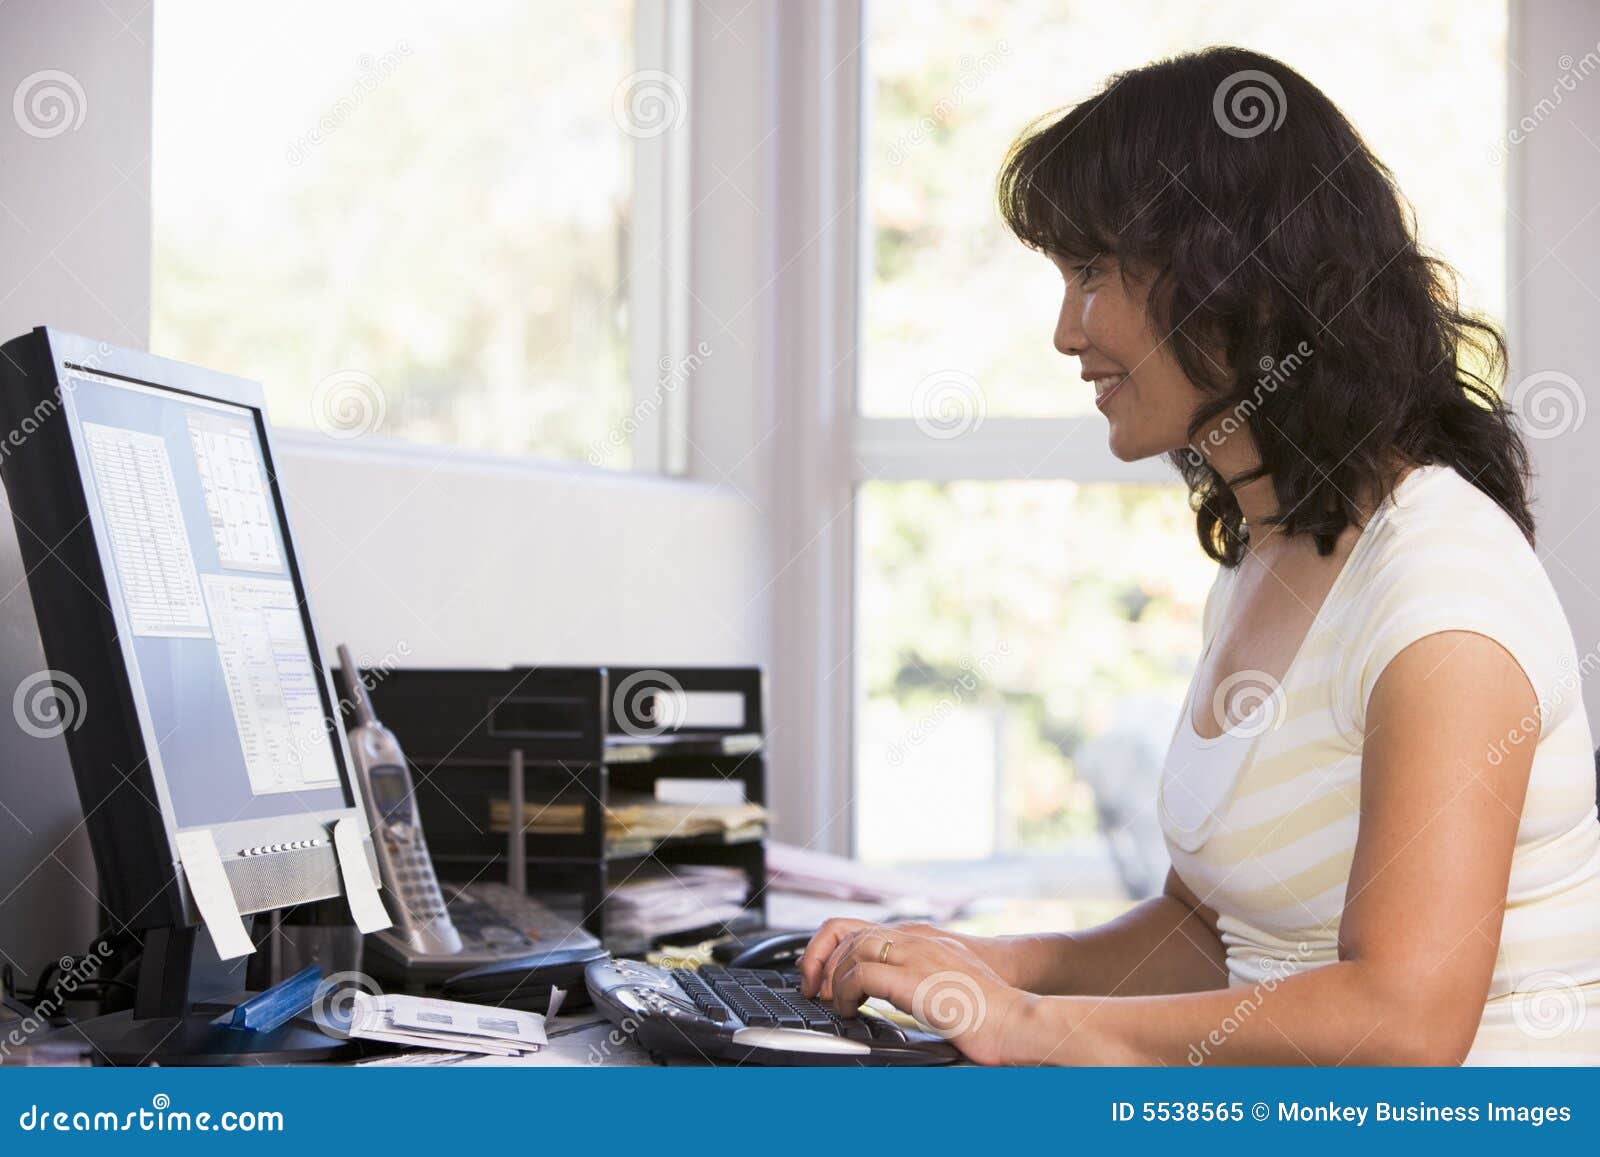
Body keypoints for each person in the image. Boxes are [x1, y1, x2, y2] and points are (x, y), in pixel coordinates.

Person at [799, 46, 1600, 1065]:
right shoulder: (1272, 549)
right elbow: (1211, 931)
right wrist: (991, 965)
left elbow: (1403, 1022)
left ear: (1237, 280)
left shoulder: (1440, 583)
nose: (1065, 332)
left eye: (1091, 274)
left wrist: (1029, 1024)